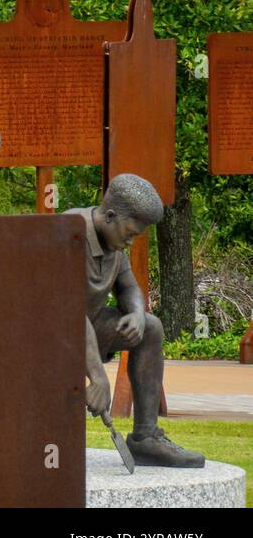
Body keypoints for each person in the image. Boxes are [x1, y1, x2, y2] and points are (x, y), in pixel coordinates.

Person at [66, 174, 204, 467]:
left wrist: (137, 314)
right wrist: (98, 378)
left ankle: (146, 439)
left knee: (151, 327)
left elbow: (128, 286)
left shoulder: (114, 246)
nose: (130, 242)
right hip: (47, 337)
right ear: (111, 215)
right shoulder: (68, 232)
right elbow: (67, 312)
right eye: (129, 234)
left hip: (88, 329)